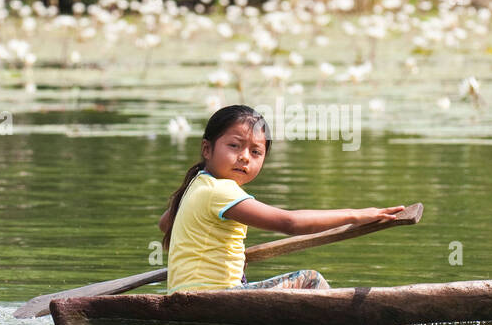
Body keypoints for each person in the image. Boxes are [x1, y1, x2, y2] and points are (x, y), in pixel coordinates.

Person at [159, 104, 404, 293]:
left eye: (256, 152)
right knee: (311, 280)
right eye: (235, 146)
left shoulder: (196, 186)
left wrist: (224, 253)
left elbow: (165, 224)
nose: (245, 157)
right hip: (215, 297)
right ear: (207, 149)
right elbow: (289, 223)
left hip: (184, 294)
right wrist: (356, 215)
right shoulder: (222, 191)